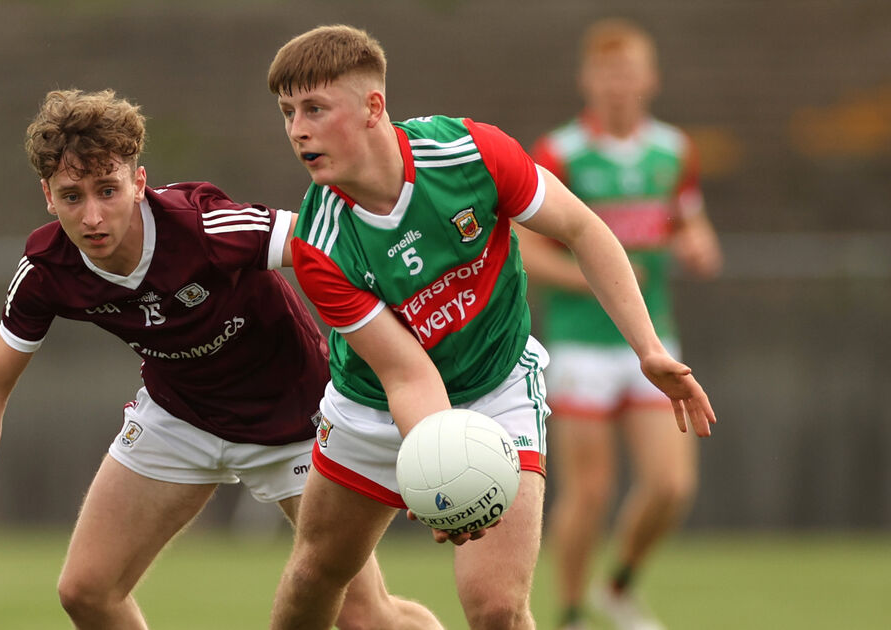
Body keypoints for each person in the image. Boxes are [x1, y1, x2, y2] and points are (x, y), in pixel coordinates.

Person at [265, 24, 717, 630]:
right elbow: (405, 373)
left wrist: (649, 349)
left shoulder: (469, 154)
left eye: (315, 109)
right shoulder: (319, 243)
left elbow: (582, 229)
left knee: (498, 608)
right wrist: (440, 462)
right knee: (320, 580)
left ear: (374, 107)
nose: (298, 129)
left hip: (495, 387)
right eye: (288, 112)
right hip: (372, 408)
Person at [0, 88, 441, 630]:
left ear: (139, 183)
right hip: (180, 418)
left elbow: (327, 242)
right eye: (71, 196)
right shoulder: (46, 270)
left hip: (295, 420)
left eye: (108, 190)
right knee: (86, 591)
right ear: (47, 195)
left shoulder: (204, 227)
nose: (92, 217)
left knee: (366, 619)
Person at [519, 18, 723, 630]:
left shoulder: (673, 151)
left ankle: (619, 586)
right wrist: (597, 276)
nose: (619, 85)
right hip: (583, 344)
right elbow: (527, 249)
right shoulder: (560, 153)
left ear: (651, 79)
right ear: (587, 80)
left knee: (670, 486)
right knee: (591, 491)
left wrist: (700, 247)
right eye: (608, 73)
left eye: (630, 72)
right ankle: (573, 611)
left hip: (652, 340)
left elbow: (689, 222)